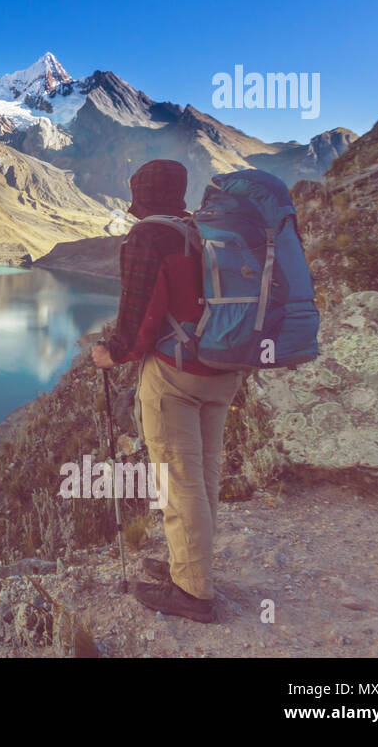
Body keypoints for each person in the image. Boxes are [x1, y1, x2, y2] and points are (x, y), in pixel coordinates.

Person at [90, 159, 242, 624]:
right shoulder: (198, 230)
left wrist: (108, 355)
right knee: (203, 474)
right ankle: (191, 565)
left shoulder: (146, 238)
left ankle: (194, 594)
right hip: (223, 369)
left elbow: (137, 326)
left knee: (179, 481)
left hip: (176, 375)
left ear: (141, 195)